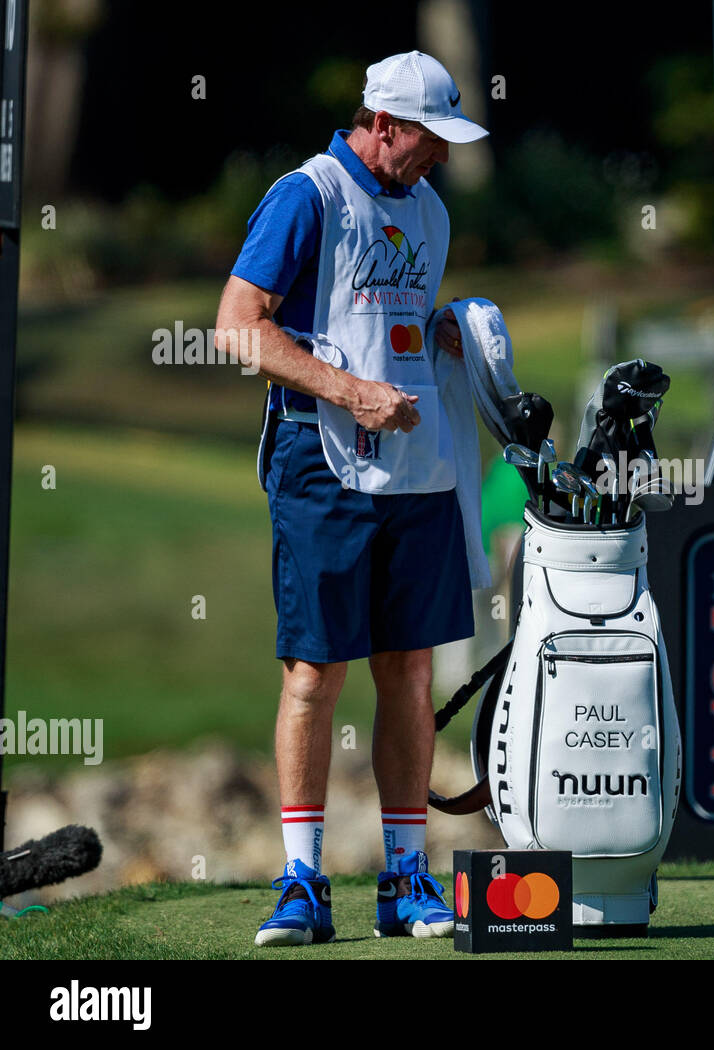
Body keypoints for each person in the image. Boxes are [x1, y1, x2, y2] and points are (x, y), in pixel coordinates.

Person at [213, 51, 491, 946]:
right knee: (313, 673)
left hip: (415, 466)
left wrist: (442, 337)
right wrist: (347, 388)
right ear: (382, 123)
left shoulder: (432, 210)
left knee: (409, 672)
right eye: (429, 138)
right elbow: (235, 327)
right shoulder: (309, 194)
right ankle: (301, 882)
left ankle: (407, 878)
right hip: (319, 456)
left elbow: (394, 322)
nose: (440, 156)